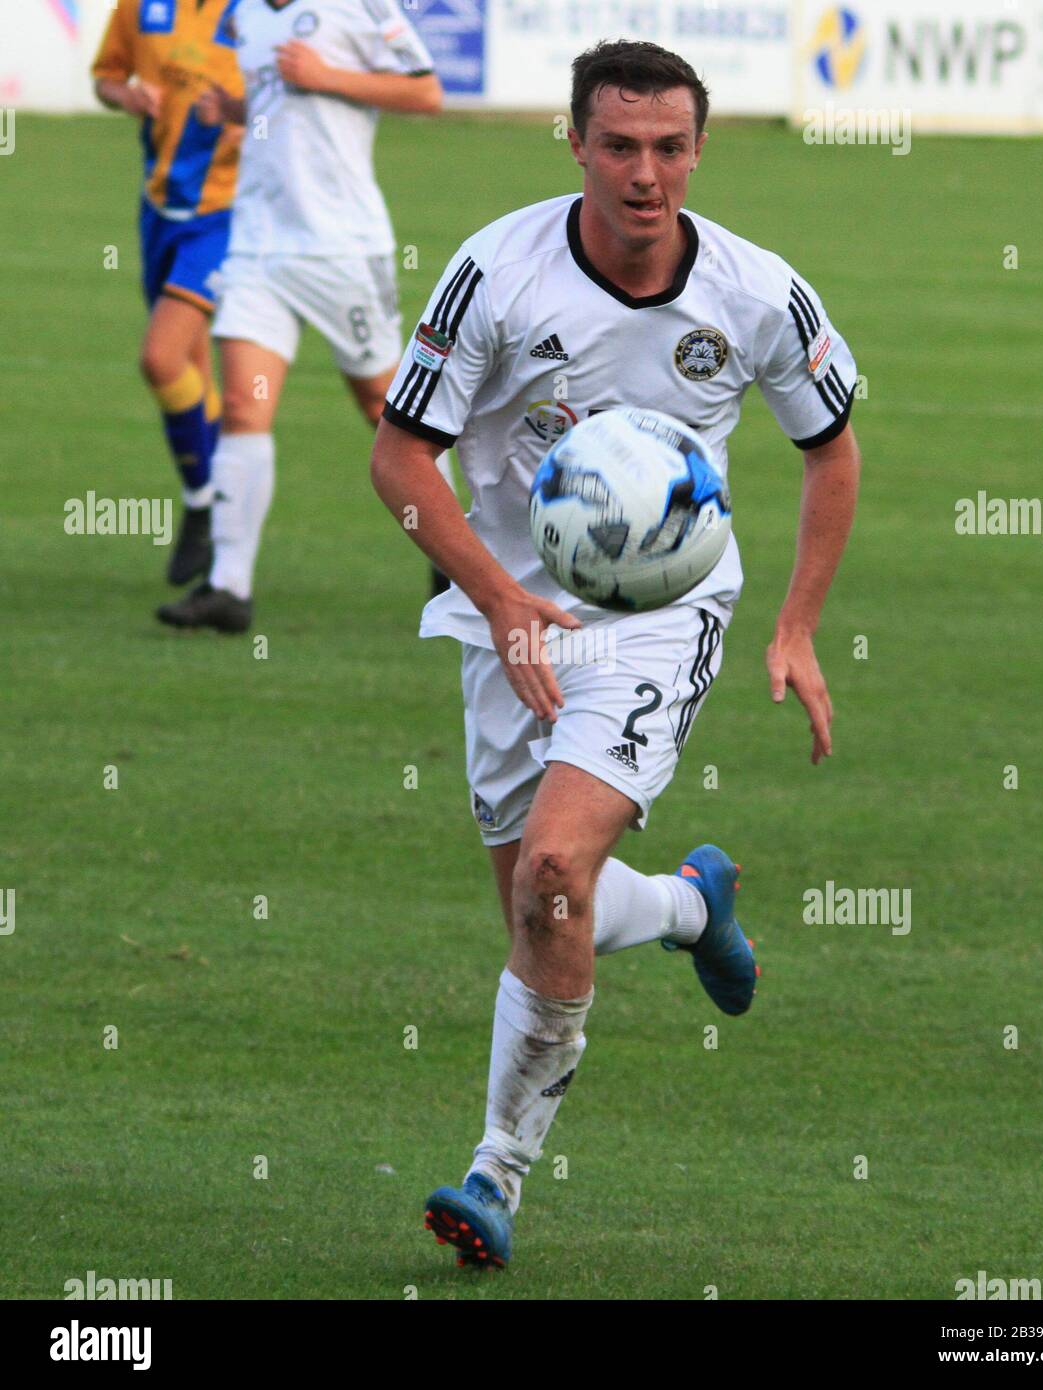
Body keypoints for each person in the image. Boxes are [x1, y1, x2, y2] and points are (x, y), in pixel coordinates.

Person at [370, 39, 862, 1269]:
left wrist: (795, 624)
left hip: (662, 613)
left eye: (670, 148)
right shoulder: (496, 271)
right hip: (509, 609)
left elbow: (831, 449)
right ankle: (694, 906)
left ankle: (495, 1176)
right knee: (546, 915)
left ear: (699, 149)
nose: (646, 175)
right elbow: (399, 455)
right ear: (576, 141)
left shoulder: (755, 293)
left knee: (551, 861)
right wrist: (501, 604)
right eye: (620, 146)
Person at [157, 0, 445, 634]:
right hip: (260, 243)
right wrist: (233, 112)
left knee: (385, 407)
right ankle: (228, 588)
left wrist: (326, 76)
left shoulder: (363, 8)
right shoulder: (243, 17)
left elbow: (427, 94)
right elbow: (281, 111)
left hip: (340, 248)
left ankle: (449, 554)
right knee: (241, 406)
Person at [92, 0, 245, 589]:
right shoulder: (140, 7)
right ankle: (210, 514)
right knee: (189, 368)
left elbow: (291, 113)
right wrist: (126, 97)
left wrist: (245, 120)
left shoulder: (257, 16)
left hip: (226, 214)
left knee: (159, 357)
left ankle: (204, 505)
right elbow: (107, 78)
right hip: (158, 209)